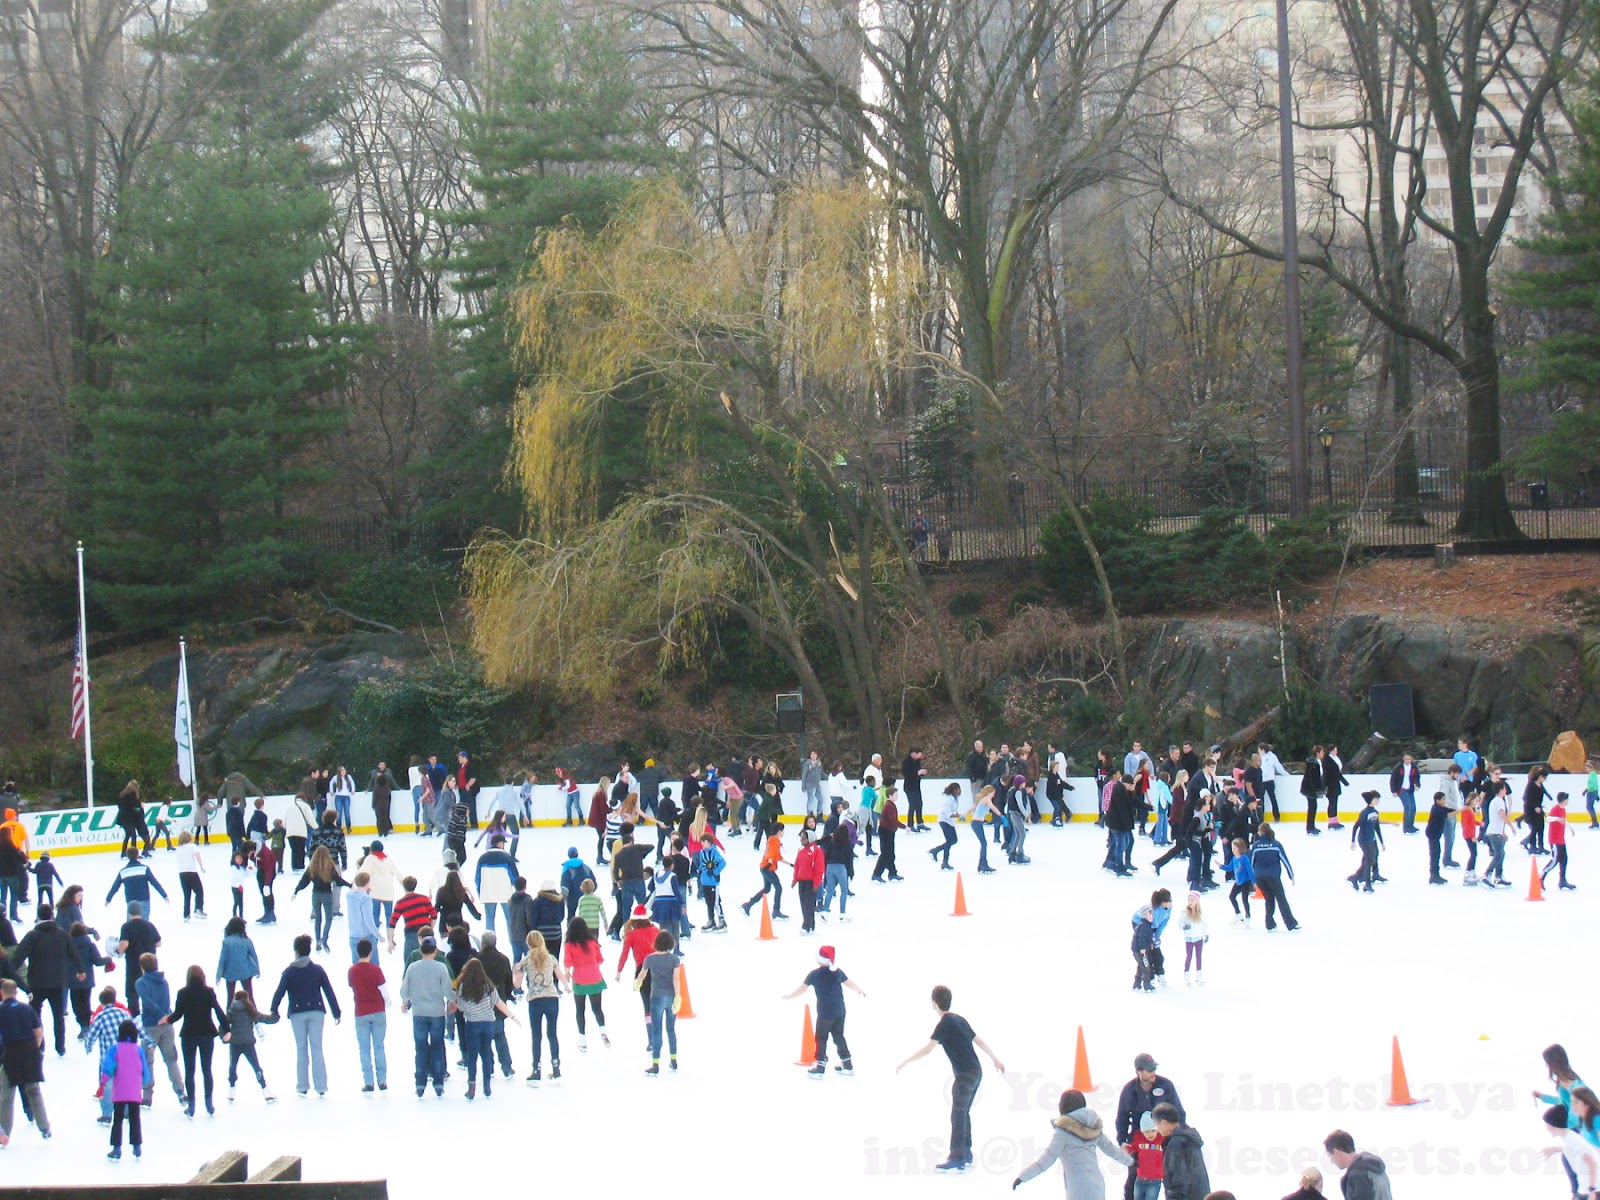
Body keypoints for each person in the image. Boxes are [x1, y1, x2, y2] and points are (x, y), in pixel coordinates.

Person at [895, 984, 1006, 1173]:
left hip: (965, 1076)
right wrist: (995, 1059)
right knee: (963, 1112)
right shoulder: (959, 1019)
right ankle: (966, 1152)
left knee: (958, 1113)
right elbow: (978, 1040)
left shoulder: (945, 1023)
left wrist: (906, 1061)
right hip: (976, 1072)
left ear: (935, 1003)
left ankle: (957, 1156)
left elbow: (928, 1049)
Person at [1014, 1087, 1134, 1197]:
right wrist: (1131, 1161)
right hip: (1097, 1185)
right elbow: (1110, 1149)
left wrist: (1023, 1177)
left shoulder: (1063, 1133)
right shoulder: (1093, 1126)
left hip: (1078, 1187)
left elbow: (1046, 1160)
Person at [269, 934, 341, 1096]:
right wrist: (336, 1012)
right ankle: (321, 1086)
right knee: (317, 1048)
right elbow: (328, 991)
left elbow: (279, 992)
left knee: (301, 1048)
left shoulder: (289, 972)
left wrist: (274, 1009)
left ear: (296, 951)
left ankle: (302, 1085)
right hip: (316, 1011)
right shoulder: (317, 970)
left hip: (297, 1013)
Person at [12, 902, 83, 1055]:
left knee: (35, 1015)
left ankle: (40, 1045)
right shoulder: (62, 934)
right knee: (58, 1015)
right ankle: (60, 1046)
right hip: (58, 982)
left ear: (38, 916)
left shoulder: (32, 935)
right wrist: (80, 970)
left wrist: (9, 972)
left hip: (36, 983)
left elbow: (19, 957)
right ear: (52, 915)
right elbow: (74, 953)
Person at [782, 945, 865, 1077]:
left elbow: (801, 989)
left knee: (821, 1037)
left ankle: (820, 1066)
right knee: (838, 1036)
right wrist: (858, 989)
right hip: (840, 1011)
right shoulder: (837, 972)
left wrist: (790, 996)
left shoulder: (814, 974)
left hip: (825, 1012)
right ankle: (847, 1065)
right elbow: (849, 982)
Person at [1116, 1053, 1186, 1200]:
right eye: (1149, 1070)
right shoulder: (1129, 1090)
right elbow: (1122, 1117)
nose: (1153, 1072)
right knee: (1134, 1178)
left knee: (1169, 1177)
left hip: (1163, 1140)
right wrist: (1122, 1141)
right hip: (1139, 1142)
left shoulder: (1165, 1085)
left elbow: (1179, 1113)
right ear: (1139, 1071)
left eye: (1154, 1068)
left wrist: (1180, 1135)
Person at [161, 963, 227, 1117]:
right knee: (207, 1069)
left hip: (189, 1034)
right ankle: (209, 1103)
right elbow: (218, 1011)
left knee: (189, 1071)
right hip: (206, 1033)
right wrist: (226, 1029)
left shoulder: (183, 993)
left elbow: (178, 1014)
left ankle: (191, 1105)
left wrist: (167, 1019)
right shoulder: (209, 992)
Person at [451, 957, 516, 1099]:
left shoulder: (464, 986)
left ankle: (472, 1086)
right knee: (486, 1053)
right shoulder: (488, 985)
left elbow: (460, 1006)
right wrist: (511, 1016)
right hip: (489, 1023)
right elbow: (496, 1002)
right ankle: (487, 1085)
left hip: (473, 1023)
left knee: (472, 1056)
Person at [399, 936, 452, 1098]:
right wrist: (452, 1001)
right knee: (437, 1046)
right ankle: (438, 1082)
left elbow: (404, 991)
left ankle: (420, 1083)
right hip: (437, 1012)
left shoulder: (413, 968)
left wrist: (405, 1001)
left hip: (419, 1013)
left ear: (421, 950)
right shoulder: (441, 968)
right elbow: (448, 991)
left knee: (420, 1048)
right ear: (435, 950)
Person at [0, 977, 50, 1145]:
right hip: (30, 1052)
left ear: (2, 993)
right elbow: (38, 1031)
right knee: (33, 1091)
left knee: (7, 1095)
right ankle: (45, 1128)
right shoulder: (27, 1009)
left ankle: (4, 1133)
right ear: (16, 993)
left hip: (11, 1053)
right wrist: (34, 1049)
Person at [513, 930, 566, 1085]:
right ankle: (556, 1069)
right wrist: (567, 987)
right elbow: (560, 975)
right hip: (552, 998)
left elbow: (517, 984)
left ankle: (536, 1070)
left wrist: (515, 970)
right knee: (552, 1033)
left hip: (535, 999)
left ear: (528, 943)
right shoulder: (550, 958)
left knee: (537, 1035)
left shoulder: (526, 960)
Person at [132, 952, 187, 1105]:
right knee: (171, 1059)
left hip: (151, 1025)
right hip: (167, 1025)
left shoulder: (141, 983)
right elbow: (167, 1000)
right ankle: (180, 1090)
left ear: (142, 967)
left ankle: (147, 1095)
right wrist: (166, 1016)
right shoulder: (164, 981)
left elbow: (147, 1002)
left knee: (147, 1060)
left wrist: (159, 1014)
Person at [100, 1019, 151, 1160]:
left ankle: (116, 1148)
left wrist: (103, 1083)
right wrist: (145, 1081)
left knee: (118, 1119)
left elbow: (108, 1068)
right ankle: (137, 1146)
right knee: (135, 1118)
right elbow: (145, 1069)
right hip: (134, 1091)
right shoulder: (138, 1049)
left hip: (120, 1090)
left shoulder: (115, 1049)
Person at [635, 929, 680, 1076]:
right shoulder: (674, 960)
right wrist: (678, 996)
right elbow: (676, 979)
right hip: (671, 996)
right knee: (671, 1030)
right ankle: (673, 1059)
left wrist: (638, 983)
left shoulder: (649, 959)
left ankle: (655, 1063)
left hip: (656, 997)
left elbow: (642, 974)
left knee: (656, 1030)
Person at [563, 916, 609, 1050]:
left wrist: (567, 972)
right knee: (597, 1008)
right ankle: (603, 1031)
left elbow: (567, 961)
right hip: (595, 978)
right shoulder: (593, 942)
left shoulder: (569, 945)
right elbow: (600, 959)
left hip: (579, 980)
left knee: (580, 1010)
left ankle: (582, 1039)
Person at [293, 846, 350, 955]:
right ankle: (324, 939)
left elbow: (304, 881)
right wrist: (349, 885)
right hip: (327, 895)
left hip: (315, 895)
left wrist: (296, 891)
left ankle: (318, 940)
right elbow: (338, 881)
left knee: (318, 919)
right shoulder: (330, 866)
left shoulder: (312, 867)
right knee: (328, 918)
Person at [224, 987, 277, 1103]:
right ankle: (265, 1089)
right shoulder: (250, 1010)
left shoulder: (231, 1011)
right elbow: (264, 1018)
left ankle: (231, 1090)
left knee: (233, 1067)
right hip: (248, 1043)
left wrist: (224, 1037)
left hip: (235, 1043)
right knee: (256, 1067)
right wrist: (275, 1017)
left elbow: (224, 1025)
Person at [1543, 1103, 1600, 1200]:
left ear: (1553, 1124)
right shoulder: (1568, 1138)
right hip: (1585, 1188)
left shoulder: (1571, 1140)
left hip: (1591, 1190)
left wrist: (1592, 1191)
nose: (1546, 1128)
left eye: (1547, 1124)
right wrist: (1556, 1149)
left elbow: (1592, 1163)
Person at [1152, 1103, 1209, 1200]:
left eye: (1156, 1125)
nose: (1157, 1129)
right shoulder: (1190, 1138)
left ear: (1164, 1123)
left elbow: (1179, 1178)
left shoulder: (1176, 1143)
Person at [1250, 824, 1299, 931]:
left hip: (1260, 877)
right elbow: (1285, 860)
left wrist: (1253, 879)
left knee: (1269, 899)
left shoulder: (1256, 845)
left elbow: (1251, 863)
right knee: (1281, 899)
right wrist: (1291, 875)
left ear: (1261, 832)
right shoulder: (1276, 845)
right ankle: (1291, 924)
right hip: (1273, 877)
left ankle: (1270, 924)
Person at [116, 902, 161, 1018]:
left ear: (129, 913)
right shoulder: (149, 926)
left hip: (134, 964)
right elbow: (158, 943)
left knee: (132, 993)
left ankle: (135, 1017)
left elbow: (124, 944)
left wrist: (117, 950)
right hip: (150, 965)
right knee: (150, 992)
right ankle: (150, 1015)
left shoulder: (126, 927)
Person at [1322, 1130, 1393, 1200]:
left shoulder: (1358, 1173)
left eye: (1330, 1156)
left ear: (1336, 1152)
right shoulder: (1373, 1167)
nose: (1331, 1161)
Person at [744, 824, 791, 918]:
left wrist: (789, 864)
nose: (783, 833)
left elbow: (777, 856)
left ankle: (748, 904)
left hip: (764, 867)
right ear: (779, 831)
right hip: (767, 868)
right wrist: (769, 863)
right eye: (783, 831)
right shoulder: (775, 842)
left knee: (767, 889)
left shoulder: (772, 840)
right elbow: (771, 854)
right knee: (778, 888)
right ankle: (776, 910)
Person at [106, 849, 168, 919]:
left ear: (127, 856)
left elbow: (115, 887)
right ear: (137, 855)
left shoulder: (123, 872)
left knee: (131, 926)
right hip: (144, 899)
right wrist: (164, 895)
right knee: (144, 925)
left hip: (131, 902)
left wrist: (108, 899)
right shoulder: (144, 869)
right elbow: (155, 883)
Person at [388, 876, 436, 961]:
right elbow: (434, 915)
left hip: (411, 934)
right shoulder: (424, 898)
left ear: (403, 886)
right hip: (427, 933)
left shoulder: (400, 903)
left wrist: (390, 941)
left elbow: (392, 923)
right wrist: (430, 928)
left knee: (410, 961)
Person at [217, 916, 261, 1002]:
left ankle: (229, 1014)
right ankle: (253, 1013)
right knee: (249, 996)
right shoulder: (246, 941)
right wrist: (257, 970)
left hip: (230, 973)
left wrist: (218, 975)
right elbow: (254, 956)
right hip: (245, 972)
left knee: (230, 997)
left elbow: (222, 960)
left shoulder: (226, 942)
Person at [1124, 1112, 1165, 1200]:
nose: (1150, 1134)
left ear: (1157, 1129)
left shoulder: (1162, 1141)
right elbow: (1132, 1149)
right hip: (1140, 1179)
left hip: (1155, 1181)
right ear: (1142, 1132)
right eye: (1147, 1131)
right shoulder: (1139, 1141)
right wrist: (1128, 1149)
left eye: (1153, 1130)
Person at [1348, 791, 1384, 893]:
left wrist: (1381, 842)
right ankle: (1367, 883)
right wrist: (1353, 841)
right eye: (1375, 798)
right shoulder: (1364, 813)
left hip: (1372, 839)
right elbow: (1356, 826)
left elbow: (1376, 827)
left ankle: (1356, 877)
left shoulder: (1375, 812)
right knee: (1370, 860)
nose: (1377, 800)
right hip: (1364, 839)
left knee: (1373, 857)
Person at [346, 872, 384, 966]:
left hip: (353, 935)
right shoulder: (366, 898)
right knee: (373, 966)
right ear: (367, 883)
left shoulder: (349, 895)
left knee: (357, 966)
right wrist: (378, 935)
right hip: (366, 936)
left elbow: (353, 889)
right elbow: (368, 920)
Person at [1542, 791, 1576, 891]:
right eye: (1567, 799)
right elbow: (1548, 819)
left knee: (1564, 859)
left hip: (1561, 839)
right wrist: (1557, 819)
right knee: (1554, 860)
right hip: (1554, 840)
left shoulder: (1563, 809)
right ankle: (1541, 876)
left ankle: (1562, 880)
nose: (1568, 801)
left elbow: (1563, 820)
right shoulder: (1555, 809)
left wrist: (1571, 828)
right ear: (1564, 800)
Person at [694, 833, 727, 931]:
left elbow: (723, 862)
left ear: (709, 842)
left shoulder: (714, 852)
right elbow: (702, 864)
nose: (702, 843)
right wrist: (698, 871)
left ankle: (722, 921)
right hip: (705, 881)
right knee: (708, 902)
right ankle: (711, 920)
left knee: (716, 901)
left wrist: (715, 872)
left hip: (713, 881)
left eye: (704, 842)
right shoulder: (702, 852)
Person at [1484, 780, 1513, 887]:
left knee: (1501, 854)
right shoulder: (1499, 801)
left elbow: (1497, 819)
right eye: (1505, 789)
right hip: (1494, 833)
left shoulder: (1495, 801)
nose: (1506, 790)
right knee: (1499, 854)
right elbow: (1502, 815)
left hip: (1496, 831)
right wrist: (1511, 826)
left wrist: (1503, 832)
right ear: (1501, 790)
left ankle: (1498, 876)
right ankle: (1487, 875)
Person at [872, 783, 904, 881]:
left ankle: (892, 873)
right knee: (886, 854)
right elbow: (893, 820)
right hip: (885, 831)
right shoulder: (889, 805)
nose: (897, 796)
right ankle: (876, 874)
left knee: (890, 853)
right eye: (895, 794)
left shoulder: (890, 804)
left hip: (888, 831)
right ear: (890, 796)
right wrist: (904, 827)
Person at [1180, 891, 1208, 987]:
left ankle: (1199, 973)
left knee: (1198, 956)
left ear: (1197, 901)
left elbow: (1205, 924)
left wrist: (1206, 934)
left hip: (1198, 938)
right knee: (1189, 956)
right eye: (1189, 900)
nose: (1190, 902)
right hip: (1189, 938)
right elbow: (1180, 922)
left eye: (1192, 900)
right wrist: (1184, 927)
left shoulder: (1201, 913)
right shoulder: (1185, 912)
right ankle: (1186, 973)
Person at [1389, 753, 1421, 835]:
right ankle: (1406, 827)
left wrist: (1417, 784)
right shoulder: (1398, 767)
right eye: (1406, 758)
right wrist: (1394, 791)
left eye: (1409, 759)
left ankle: (1411, 825)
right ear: (1403, 758)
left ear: (1412, 759)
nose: (1407, 760)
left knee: (1413, 808)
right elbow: (1393, 779)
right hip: (1401, 790)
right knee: (1408, 807)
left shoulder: (1413, 767)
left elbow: (1417, 777)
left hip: (1410, 789)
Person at [1301, 747, 1326, 835]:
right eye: (1322, 752)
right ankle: (1310, 827)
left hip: (1310, 788)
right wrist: (1320, 790)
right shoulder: (1313, 764)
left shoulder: (1315, 762)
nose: (1323, 753)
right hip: (1310, 789)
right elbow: (1314, 779)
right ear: (1317, 753)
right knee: (1312, 807)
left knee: (1312, 807)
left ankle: (1311, 826)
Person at [369, 762, 398, 837]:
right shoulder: (374, 772)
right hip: (384, 803)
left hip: (381, 803)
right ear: (378, 765)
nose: (382, 766)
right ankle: (383, 832)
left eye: (383, 765)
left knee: (383, 817)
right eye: (380, 765)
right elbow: (371, 781)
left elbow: (391, 778)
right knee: (382, 817)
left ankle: (383, 831)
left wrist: (373, 805)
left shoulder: (388, 772)